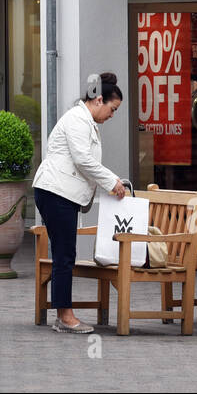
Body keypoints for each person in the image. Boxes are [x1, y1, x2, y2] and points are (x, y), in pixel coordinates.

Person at [31, 71, 128, 334]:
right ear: (99, 100)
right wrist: (112, 182)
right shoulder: (77, 119)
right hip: (56, 192)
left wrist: (108, 182)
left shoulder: (85, 121)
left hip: (61, 193)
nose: (112, 115)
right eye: (112, 109)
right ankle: (65, 316)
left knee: (65, 253)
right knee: (64, 255)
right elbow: (83, 159)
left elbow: (85, 163)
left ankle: (64, 313)